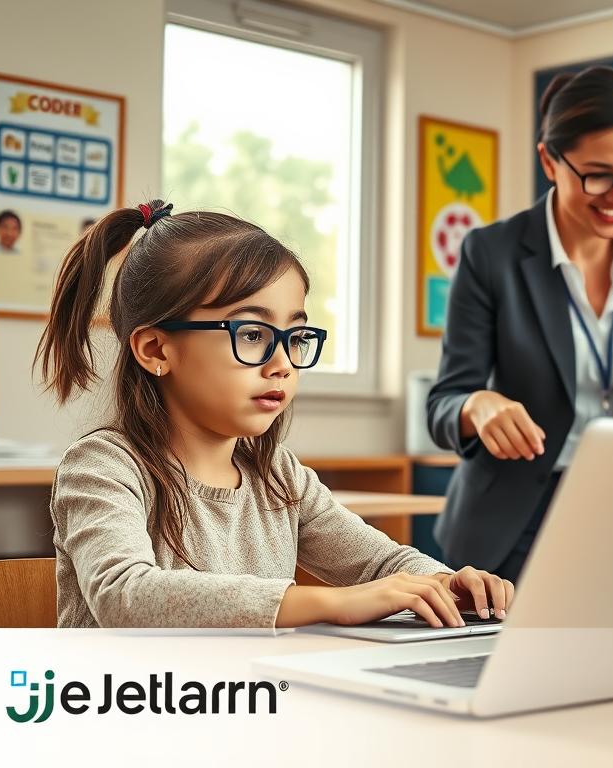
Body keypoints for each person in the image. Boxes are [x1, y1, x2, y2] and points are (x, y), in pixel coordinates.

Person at [39, 200, 512, 628]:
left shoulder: (277, 476)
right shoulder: (102, 468)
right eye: (251, 334)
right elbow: (126, 597)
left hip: (247, 705)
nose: (282, 362)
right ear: (156, 348)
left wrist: (447, 584)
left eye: (295, 336)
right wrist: (331, 603)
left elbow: (378, 566)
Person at [427, 66, 613, 581]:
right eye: (597, 174)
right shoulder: (492, 254)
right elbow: (443, 404)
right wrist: (478, 406)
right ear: (550, 160)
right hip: (512, 517)